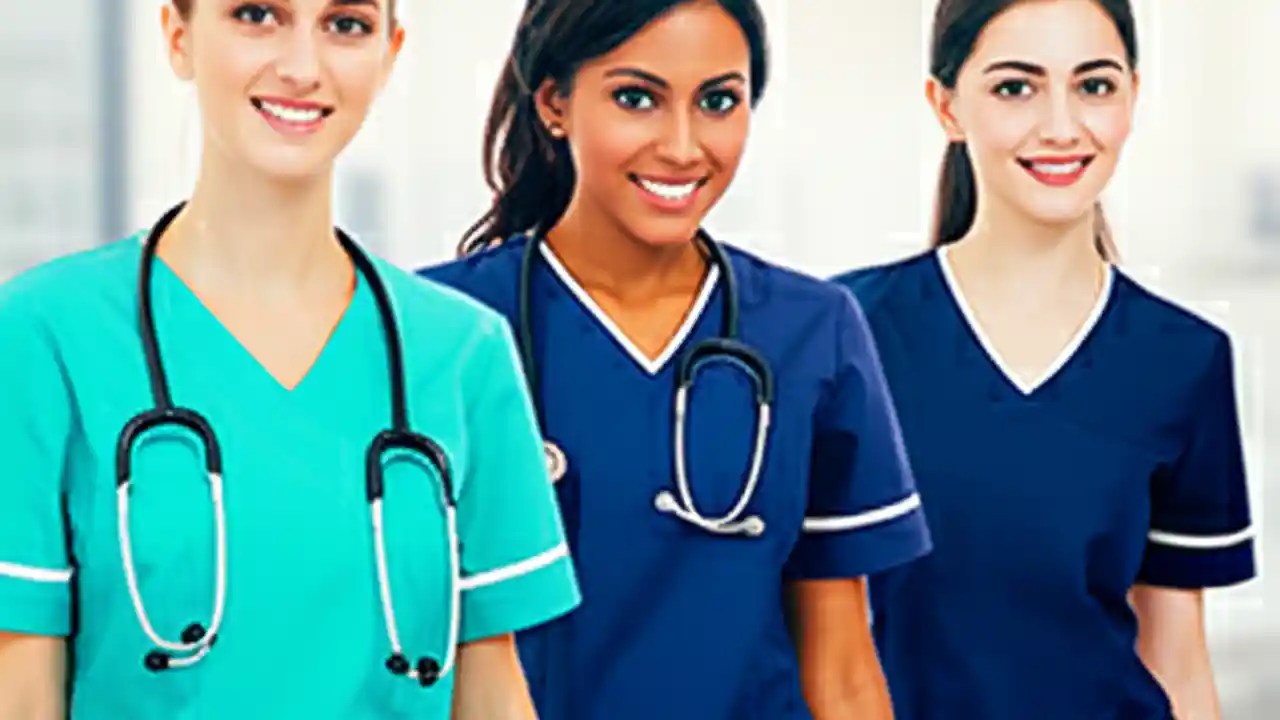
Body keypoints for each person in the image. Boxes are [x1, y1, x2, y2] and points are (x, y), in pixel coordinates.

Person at [0, 2, 579, 718]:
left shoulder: (464, 355)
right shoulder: (46, 332)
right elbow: (19, 687)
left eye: (346, 25)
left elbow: (490, 691)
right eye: (257, 15)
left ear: (390, 54)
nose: (303, 67)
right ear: (178, 37)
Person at [419, 1, 932, 718]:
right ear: (554, 104)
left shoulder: (813, 332)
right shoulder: (440, 331)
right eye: (637, 99)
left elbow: (842, 669)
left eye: (718, 101)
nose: (684, 147)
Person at [832, 1, 1256, 718]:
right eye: (1015, 87)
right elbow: (808, 638)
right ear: (947, 107)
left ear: (1133, 97)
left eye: (1094, 86)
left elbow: (1178, 661)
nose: (1062, 126)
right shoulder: (846, 335)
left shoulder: (1183, 361)